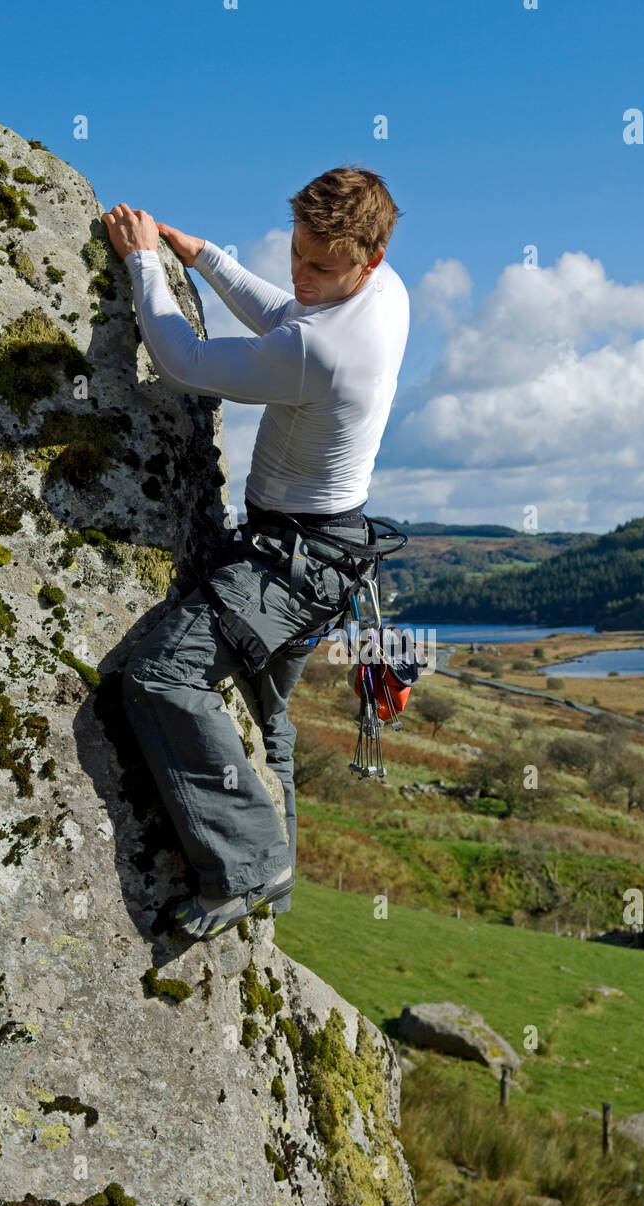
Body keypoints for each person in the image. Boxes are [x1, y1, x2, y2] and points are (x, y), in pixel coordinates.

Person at [101, 166, 409, 940]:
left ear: (366, 258)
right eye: (296, 254)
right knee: (265, 725)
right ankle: (272, 905)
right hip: (329, 556)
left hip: (286, 565)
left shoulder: (325, 351)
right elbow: (291, 314)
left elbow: (186, 363)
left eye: (320, 265)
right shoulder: (383, 292)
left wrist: (144, 264)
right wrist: (208, 259)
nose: (301, 276)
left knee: (162, 677)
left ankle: (250, 866)